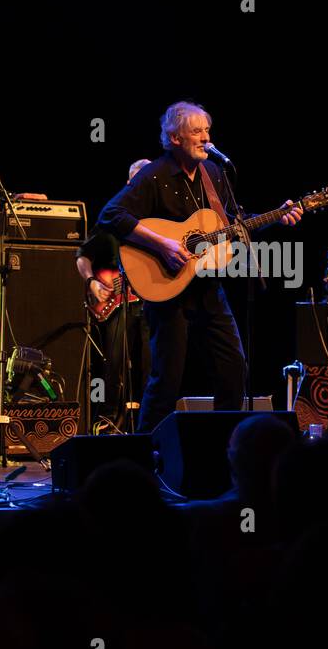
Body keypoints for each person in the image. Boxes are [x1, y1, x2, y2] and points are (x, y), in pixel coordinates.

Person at [97, 102, 303, 432]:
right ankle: (146, 455)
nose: (205, 139)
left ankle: (220, 448)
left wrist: (279, 216)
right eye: (196, 132)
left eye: (207, 131)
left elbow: (236, 225)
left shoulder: (215, 175)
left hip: (207, 286)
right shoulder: (155, 175)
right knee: (167, 380)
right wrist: (162, 244)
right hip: (167, 290)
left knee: (234, 367)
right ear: (175, 137)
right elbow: (110, 214)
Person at [77, 159, 153, 431]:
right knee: (114, 367)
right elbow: (83, 257)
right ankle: (108, 423)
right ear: (130, 184)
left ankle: (149, 425)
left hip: (151, 303)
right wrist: (92, 283)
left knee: (151, 367)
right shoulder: (112, 220)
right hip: (118, 304)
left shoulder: (159, 221)